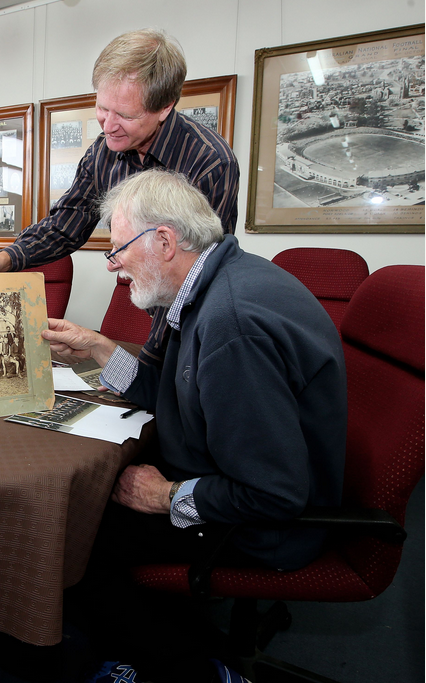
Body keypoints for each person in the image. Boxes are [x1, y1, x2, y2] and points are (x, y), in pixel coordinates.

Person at [46, 169, 345, 681]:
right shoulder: (221, 279)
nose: (114, 266)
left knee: (73, 535)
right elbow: (174, 394)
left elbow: (273, 495)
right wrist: (98, 349)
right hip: (237, 477)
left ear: (164, 241)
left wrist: (163, 496)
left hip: (265, 526)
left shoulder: (231, 324)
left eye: (118, 251)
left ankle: (198, 671)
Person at [0, 28, 240, 365]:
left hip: (195, 333)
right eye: (102, 108)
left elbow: (196, 279)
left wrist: (144, 370)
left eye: (125, 115)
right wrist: (4, 258)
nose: (108, 126)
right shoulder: (103, 152)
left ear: (165, 107)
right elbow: (64, 225)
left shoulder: (210, 163)